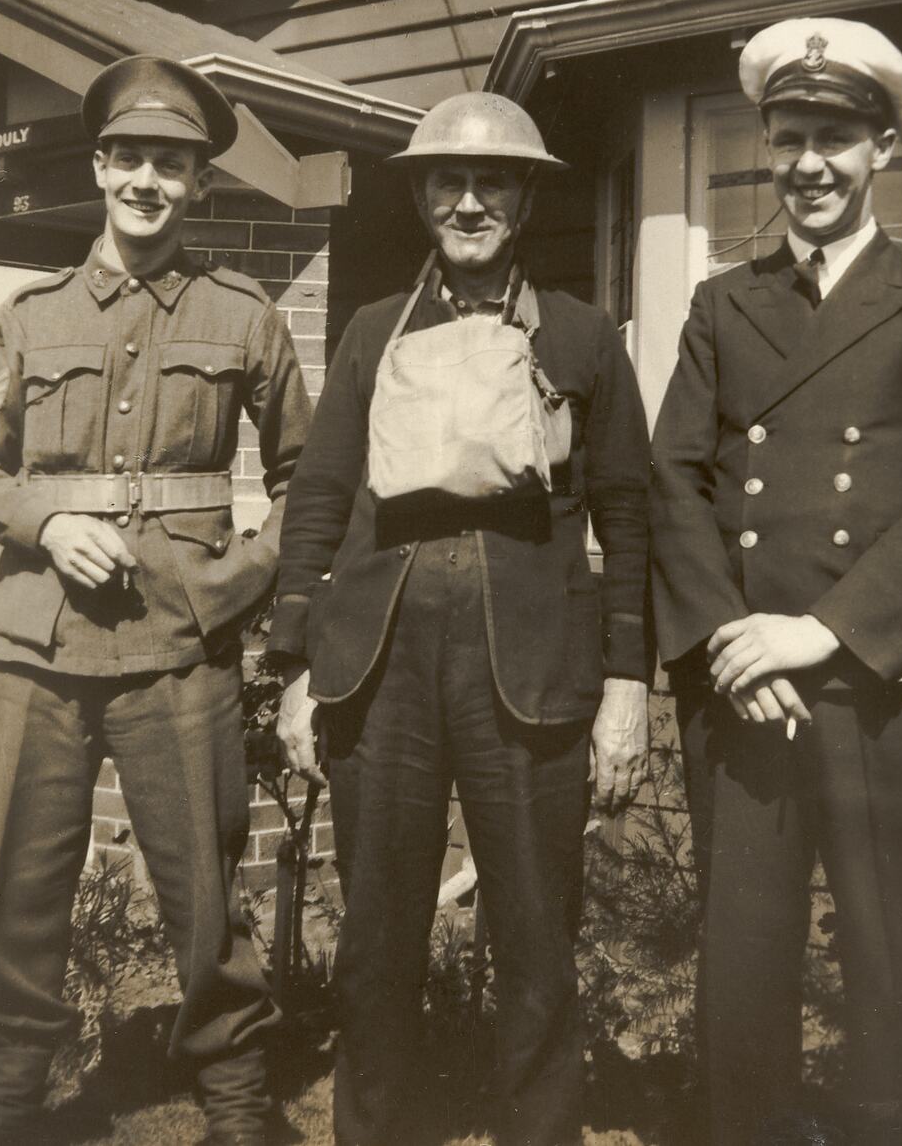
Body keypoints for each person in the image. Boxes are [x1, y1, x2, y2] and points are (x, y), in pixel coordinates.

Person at [269, 90, 652, 1146]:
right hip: (378, 671)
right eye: (448, 180)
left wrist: (626, 682)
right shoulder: (367, 335)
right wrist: (298, 662)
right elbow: (319, 498)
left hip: (528, 674)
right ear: (423, 195)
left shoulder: (578, 337)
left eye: (492, 181)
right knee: (377, 937)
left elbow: (626, 512)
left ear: (525, 198)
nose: (469, 200)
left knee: (535, 934)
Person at [649, 16, 902, 1146]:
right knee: (742, 963)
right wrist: (725, 643)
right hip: (744, 685)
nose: (807, 164)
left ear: (882, 151)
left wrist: (819, 634)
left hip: (877, 684)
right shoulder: (718, 304)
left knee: (892, 963)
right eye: (788, 137)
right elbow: (673, 484)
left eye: (834, 139)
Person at [0, 56, 310, 1145]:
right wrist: (47, 525)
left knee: (204, 893)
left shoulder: (244, 315)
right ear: (101, 166)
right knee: (19, 892)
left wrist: (232, 584)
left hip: (177, 648)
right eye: (133, 158)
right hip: (38, 647)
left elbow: (311, 480)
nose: (149, 180)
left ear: (199, 184)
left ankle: (238, 1102)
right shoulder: (30, 316)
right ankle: (5, 1093)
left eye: (174, 163)